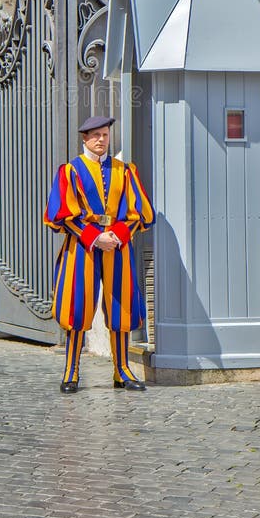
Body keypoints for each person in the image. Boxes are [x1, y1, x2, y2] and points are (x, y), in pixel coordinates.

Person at [44, 116, 154, 393]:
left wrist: (116, 236)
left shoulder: (125, 170)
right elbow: (62, 214)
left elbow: (137, 211)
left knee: (122, 307)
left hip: (117, 246)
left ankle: (122, 371)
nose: (101, 140)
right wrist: (94, 237)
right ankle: (71, 371)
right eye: (95, 135)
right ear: (84, 138)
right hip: (83, 247)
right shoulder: (70, 171)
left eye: (104, 135)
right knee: (78, 308)